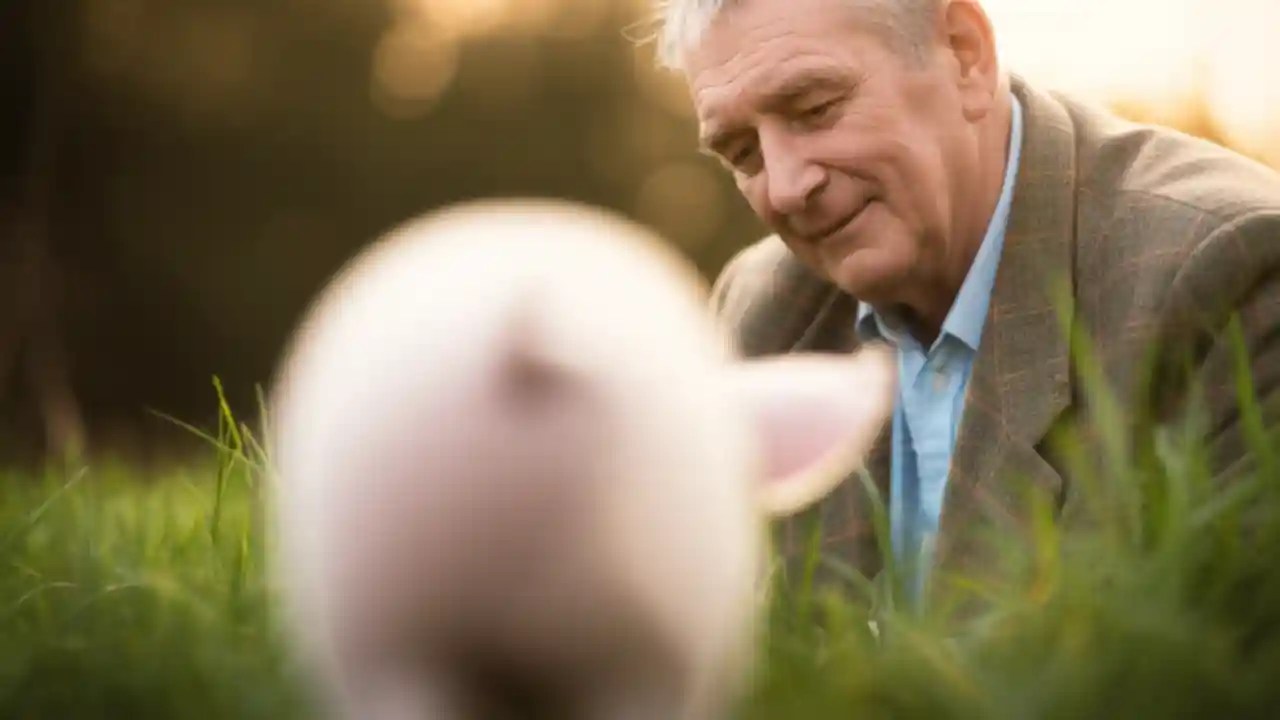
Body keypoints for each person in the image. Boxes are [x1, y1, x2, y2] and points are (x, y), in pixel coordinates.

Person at [649, 0, 1280, 602]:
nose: (785, 188)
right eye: (744, 153)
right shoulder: (759, 316)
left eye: (815, 109)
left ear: (964, 54)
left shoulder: (1225, 270)